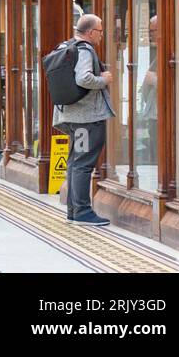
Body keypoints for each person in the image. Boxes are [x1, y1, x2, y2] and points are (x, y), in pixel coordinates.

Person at [52, 13, 114, 227]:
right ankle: (82, 211)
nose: (101, 35)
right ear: (89, 32)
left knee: (75, 161)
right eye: (100, 31)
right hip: (85, 118)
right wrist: (103, 79)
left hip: (70, 116)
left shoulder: (66, 45)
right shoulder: (85, 49)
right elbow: (84, 78)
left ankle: (73, 210)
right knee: (83, 163)